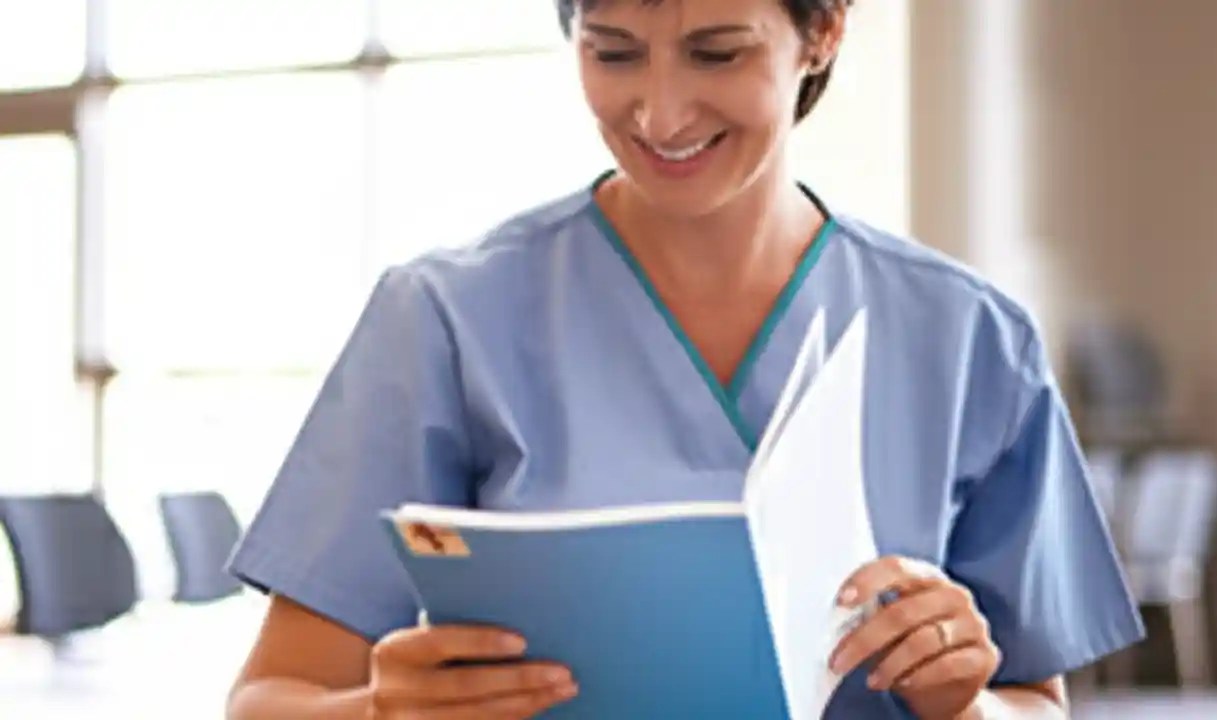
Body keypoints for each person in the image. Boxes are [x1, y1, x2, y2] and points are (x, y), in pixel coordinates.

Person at [225, 0, 1144, 718]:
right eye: (613, 51)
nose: (659, 112)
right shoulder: (444, 320)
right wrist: (384, 713)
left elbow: (1034, 703)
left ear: (821, 32)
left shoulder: (972, 340)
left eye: (717, 52)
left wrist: (965, 705)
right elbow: (270, 701)